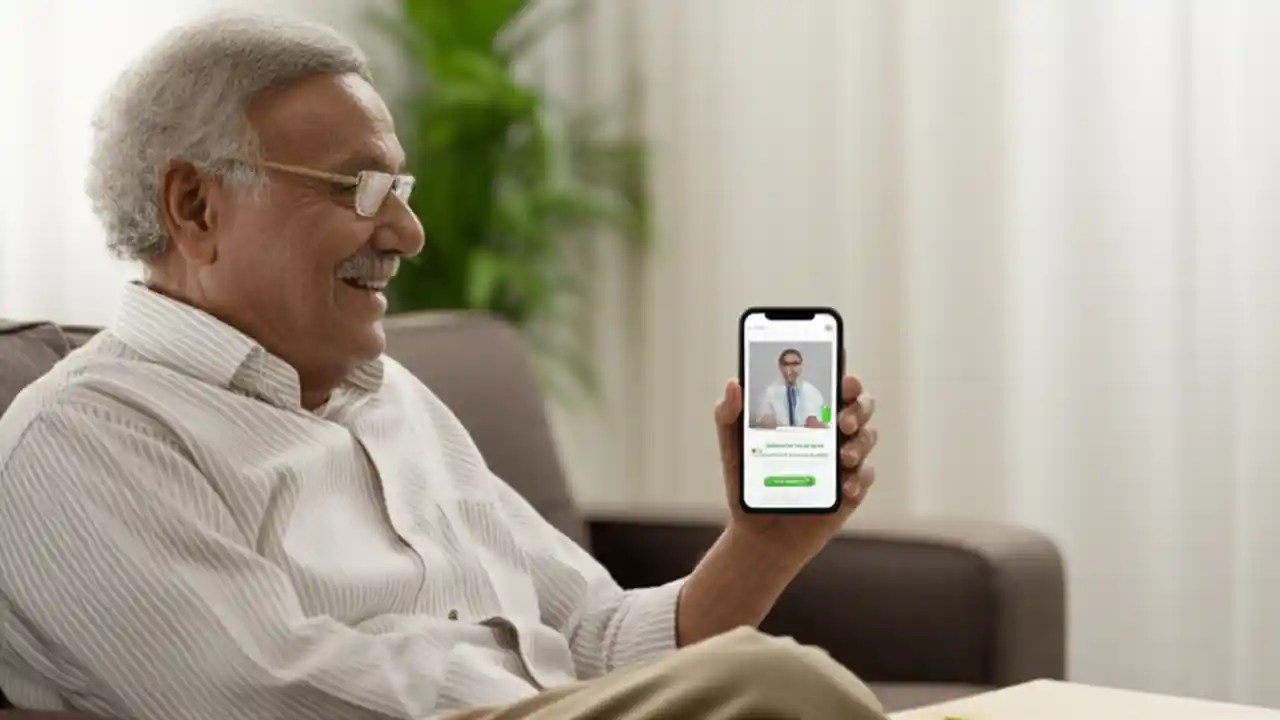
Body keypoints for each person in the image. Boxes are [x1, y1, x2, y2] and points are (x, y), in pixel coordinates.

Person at [0, 12, 882, 720]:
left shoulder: (392, 400)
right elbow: (272, 699)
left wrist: (761, 545)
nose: (409, 235)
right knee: (781, 685)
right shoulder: (81, 444)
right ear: (196, 206)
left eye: (402, 190)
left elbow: (599, 642)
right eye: (361, 189)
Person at [755, 349, 829, 429]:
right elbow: (760, 420)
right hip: (779, 436)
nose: (791, 368)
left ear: (801, 366)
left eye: (795, 364)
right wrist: (766, 423)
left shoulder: (813, 391)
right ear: (780, 367)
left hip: (807, 436)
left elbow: (827, 419)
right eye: (786, 364)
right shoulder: (769, 393)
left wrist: (821, 423)